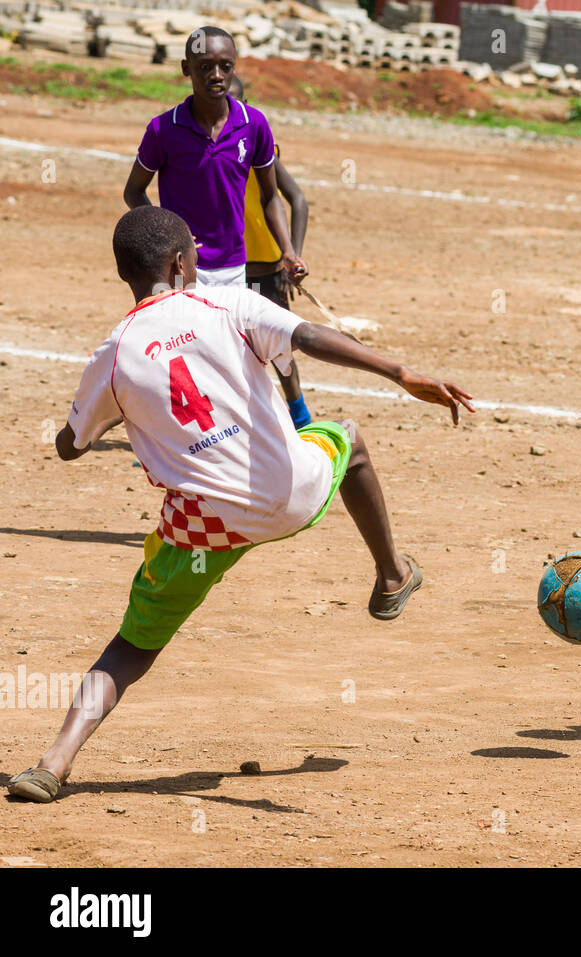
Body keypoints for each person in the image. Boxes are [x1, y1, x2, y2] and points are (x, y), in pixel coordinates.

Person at [5, 207, 475, 803]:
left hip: (206, 527)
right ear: (180, 265)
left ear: (126, 273)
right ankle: (392, 574)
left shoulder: (114, 353)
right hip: (290, 491)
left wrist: (121, 415)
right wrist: (400, 372)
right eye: (193, 255)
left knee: (132, 643)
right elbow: (307, 337)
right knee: (348, 439)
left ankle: (52, 764)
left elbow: (70, 448)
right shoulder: (227, 304)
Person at [122, 25, 313, 422]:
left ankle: (276, 420)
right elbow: (133, 193)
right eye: (205, 66)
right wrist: (165, 233)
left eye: (225, 66)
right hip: (178, 270)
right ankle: (171, 429)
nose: (216, 75)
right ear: (185, 69)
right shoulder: (163, 130)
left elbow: (271, 196)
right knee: (179, 351)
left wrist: (290, 252)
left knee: (237, 352)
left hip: (232, 267)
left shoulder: (254, 125)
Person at [229, 73, 312, 430]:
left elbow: (297, 199)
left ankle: (300, 418)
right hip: (223, 264)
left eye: (233, 104)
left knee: (279, 347)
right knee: (223, 346)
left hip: (265, 264)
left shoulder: (257, 147)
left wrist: (292, 253)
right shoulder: (201, 149)